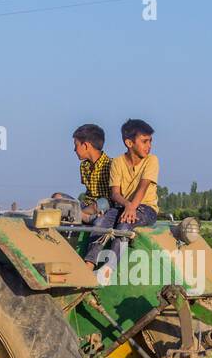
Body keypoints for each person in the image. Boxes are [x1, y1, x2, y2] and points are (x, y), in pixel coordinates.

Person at [83, 118, 159, 277]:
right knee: (101, 221)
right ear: (129, 143)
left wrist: (132, 207)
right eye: (144, 141)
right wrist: (128, 206)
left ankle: (109, 268)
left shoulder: (152, 160)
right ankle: (88, 265)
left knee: (124, 225)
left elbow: (143, 187)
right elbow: (115, 194)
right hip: (123, 206)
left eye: (150, 141)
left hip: (146, 208)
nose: (149, 146)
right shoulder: (117, 162)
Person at [52, 124, 110, 223]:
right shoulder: (84, 166)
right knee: (56, 197)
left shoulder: (110, 165)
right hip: (86, 205)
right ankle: (83, 216)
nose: (74, 149)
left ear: (86, 145)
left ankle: (76, 215)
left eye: (76, 145)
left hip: (100, 206)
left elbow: (112, 197)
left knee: (103, 203)